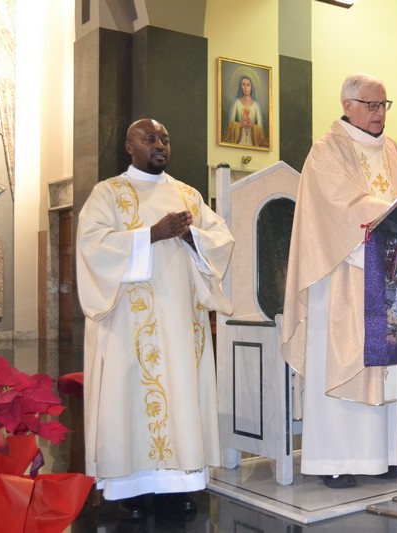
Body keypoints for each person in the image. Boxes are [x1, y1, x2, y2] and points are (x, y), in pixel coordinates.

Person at [76, 118, 235, 519]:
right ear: (129, 147)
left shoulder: (187, 195)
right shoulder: (107, 194)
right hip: (128, 327)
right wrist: (151, 235)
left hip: (180, 325)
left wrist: (191, 237)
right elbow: (92, 248)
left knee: (180, 393)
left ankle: (178, 484)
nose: (160, 145)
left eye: (165, 138)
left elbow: (221, 241)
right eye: (149, 139)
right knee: (126, 398)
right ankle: (127, 487)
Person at [281, 74, 397, 489]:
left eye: (384, 105)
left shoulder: (395, 150)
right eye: (372, 105)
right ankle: (337, 459)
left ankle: (391, 453)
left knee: (391, 362)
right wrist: (395, 212)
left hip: (392, 277)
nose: (380, 114)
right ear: (347, 105)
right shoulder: (327, 150)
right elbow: (339, 205)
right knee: (346, 357)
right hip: (345, 275)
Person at [222, 75, 268, 147]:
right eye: (243, 85)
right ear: (240, 86)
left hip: (252, 139)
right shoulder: (237, 103)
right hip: (239, 138)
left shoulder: (256, 105)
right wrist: (241, 124)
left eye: (248, 85)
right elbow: (230, 123)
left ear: (251, 87)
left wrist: (252, 126)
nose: (246, 88)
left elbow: (260, 127)